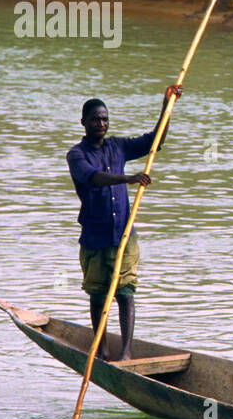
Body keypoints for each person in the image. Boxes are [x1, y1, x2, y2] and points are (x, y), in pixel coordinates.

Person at [66, 86, 181, 362]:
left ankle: (126, 353)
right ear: (84, 122)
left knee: (126, 292)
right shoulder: (76, 154)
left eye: (105, 119)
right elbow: (93, 177)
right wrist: (128, 179)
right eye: (95, 119)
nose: (101, 124)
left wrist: (166, 105)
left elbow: (154, 141)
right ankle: (102, 349)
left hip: (124, 235)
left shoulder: (118, 147)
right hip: (95, 237)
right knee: (98, 293)